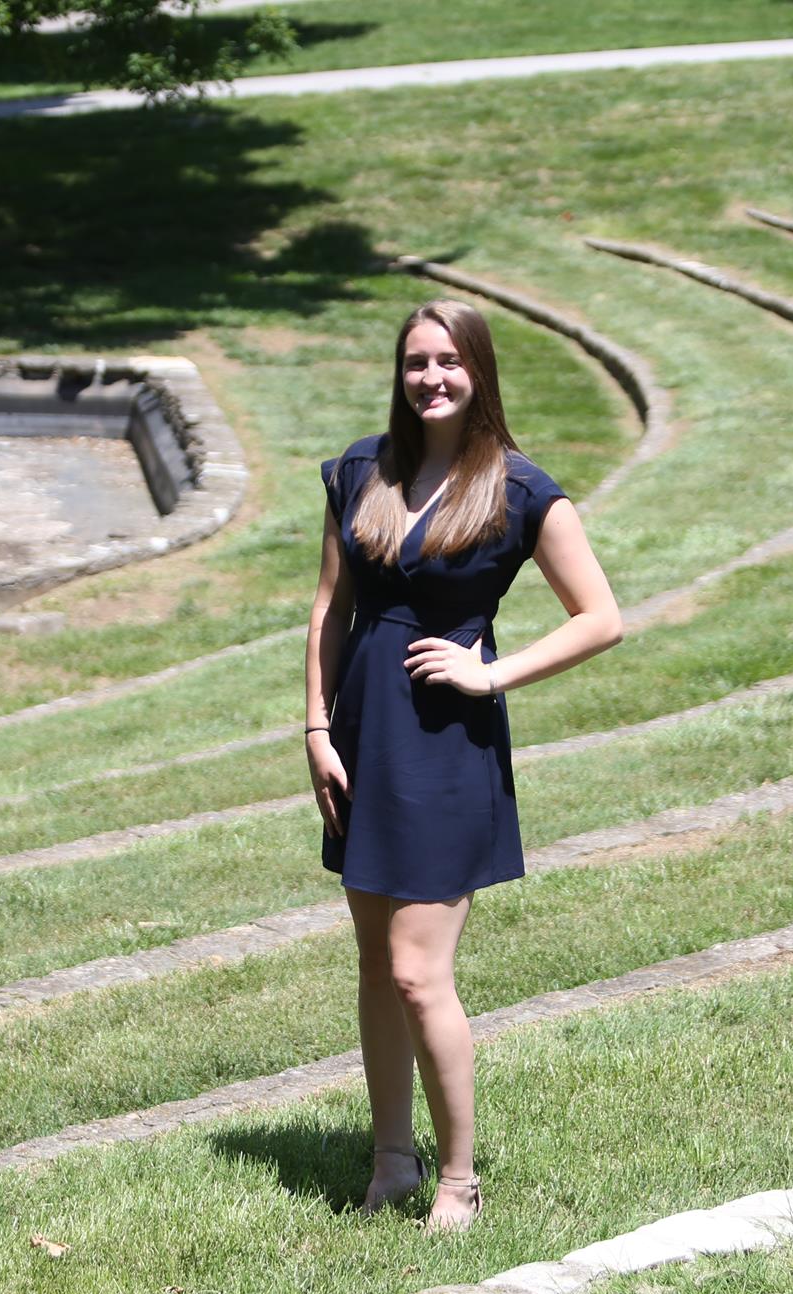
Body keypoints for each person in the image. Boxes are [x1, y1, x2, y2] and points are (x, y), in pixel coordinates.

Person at [304, 298, 623, 1230]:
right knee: (372, 960)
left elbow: (600, 616)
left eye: (449, 361)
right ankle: (391, 1161)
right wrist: (316, 729)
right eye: (416, 362)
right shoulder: (363, 469)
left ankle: (458, 1179)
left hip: (447, 744)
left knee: (416, 971)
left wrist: (491, 672)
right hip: (364, 733)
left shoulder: (522, 490)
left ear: (478, 371)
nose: (432, 378)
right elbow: (329, 608)